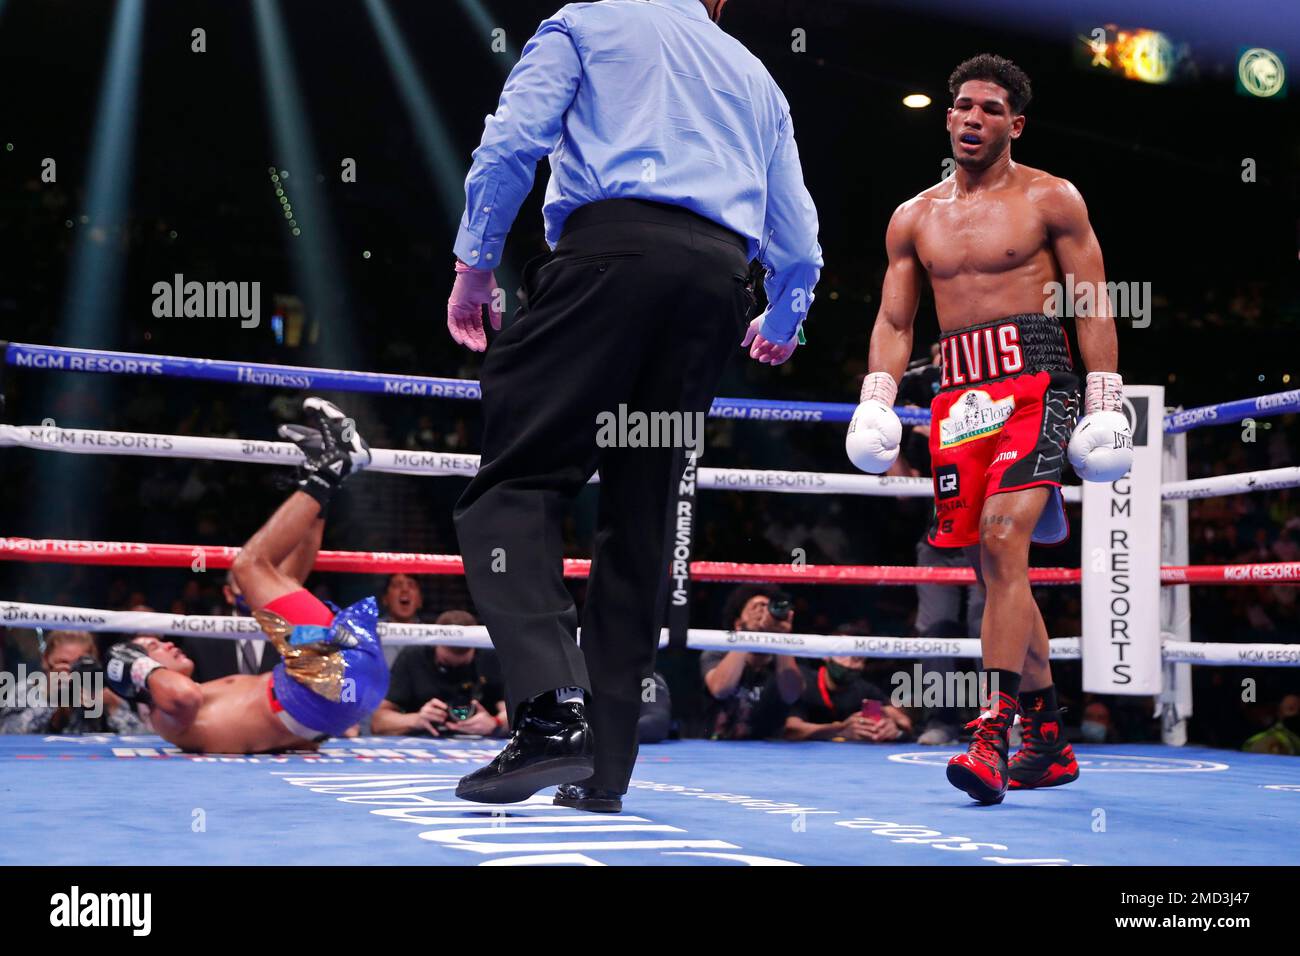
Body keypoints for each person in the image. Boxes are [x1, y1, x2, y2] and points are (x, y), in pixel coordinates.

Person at [447, 0, 822, 811]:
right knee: (643, 518)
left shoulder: (588, 21)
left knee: (516, 483)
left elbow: (513, 142)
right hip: (714, 290)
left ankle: (551, 714)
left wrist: (476, 266)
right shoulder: (755, 76)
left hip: (608, 261)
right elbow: (799, 233)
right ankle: (603, 772)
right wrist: (785, 312)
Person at [846, 54, 1133, 804]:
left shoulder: (1051, 199)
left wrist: (1104, 398)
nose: (973, 118)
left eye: (990, 109)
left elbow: (1094, 302)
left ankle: (991, 737)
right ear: (948, 118)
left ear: (1015, 123)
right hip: (959, 396)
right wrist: (877, 396)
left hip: (1039, 380)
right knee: (995, 567)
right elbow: (895, 318)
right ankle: (1048, 739)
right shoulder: (913, 217)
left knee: (1005, 542)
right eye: (963, 106)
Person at [94, 399, 389, 754]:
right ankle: (336, 464)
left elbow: (293, 576)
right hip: (327, 681)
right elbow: (180, 694)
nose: (166, 642)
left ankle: (320, 473)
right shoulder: (168, 714)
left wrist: (315, 497)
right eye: (152, 648)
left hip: (346, 691)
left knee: (280, 580)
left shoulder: (207, 706)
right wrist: (131, 667)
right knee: (247, 566)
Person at [371, 610, 509, 738]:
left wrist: (495, 723)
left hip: (483, 746)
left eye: (462, 666)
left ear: (474, 649)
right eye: (446, 663)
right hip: (424, 744)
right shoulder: (414, 657)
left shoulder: (489, 657)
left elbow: (517, 716)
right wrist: (417, 719)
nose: (455, 670)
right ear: (435, 644)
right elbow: (378, 722)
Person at [700, 585, 805, 741]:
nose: (762, 612)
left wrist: (782, 637)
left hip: (771, 751)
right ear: (737, 623)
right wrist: (747, 634)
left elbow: (791, 695)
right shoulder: (716, 653)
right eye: (755, 607)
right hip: (718, 748)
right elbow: (721, 689)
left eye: (767, 607)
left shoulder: (788, 658)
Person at [0, 630, 145, 735]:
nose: (71, 670)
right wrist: (47, 701)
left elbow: (143, 739)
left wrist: (113, 708)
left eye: (78, 663)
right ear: (46, 660)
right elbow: (7, 735)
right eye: (63, 662)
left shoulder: (105, 692)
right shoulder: (27, 689)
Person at [784, 655, 911, 742]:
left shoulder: (865, 690)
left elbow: (904, 722)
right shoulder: (803, 682)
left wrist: (891, 729)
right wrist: (840, 729)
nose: (849, 664)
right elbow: (791, 729)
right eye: (843, 655)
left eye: (857, 659)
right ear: (827, 656)